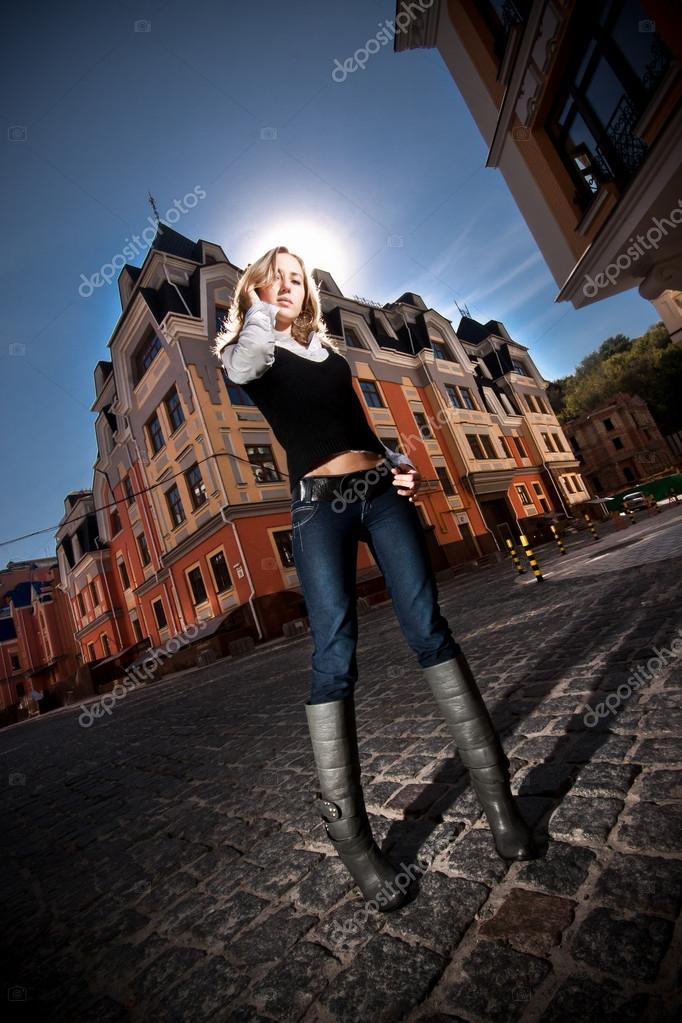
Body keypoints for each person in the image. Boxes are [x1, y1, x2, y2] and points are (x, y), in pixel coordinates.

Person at [211, 246, 536, 914]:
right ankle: (356, 844)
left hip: (379, 491)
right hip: (317, 504)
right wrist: (260, 312)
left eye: (298, 279)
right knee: (334, 654)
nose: (291, 287)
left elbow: (358, 424)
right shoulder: (254, 348)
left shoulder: (327, 350)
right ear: (258, 288)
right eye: (278, 279)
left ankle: (499, 802)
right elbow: (242, 366)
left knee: (429, 628)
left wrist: (396, 465)